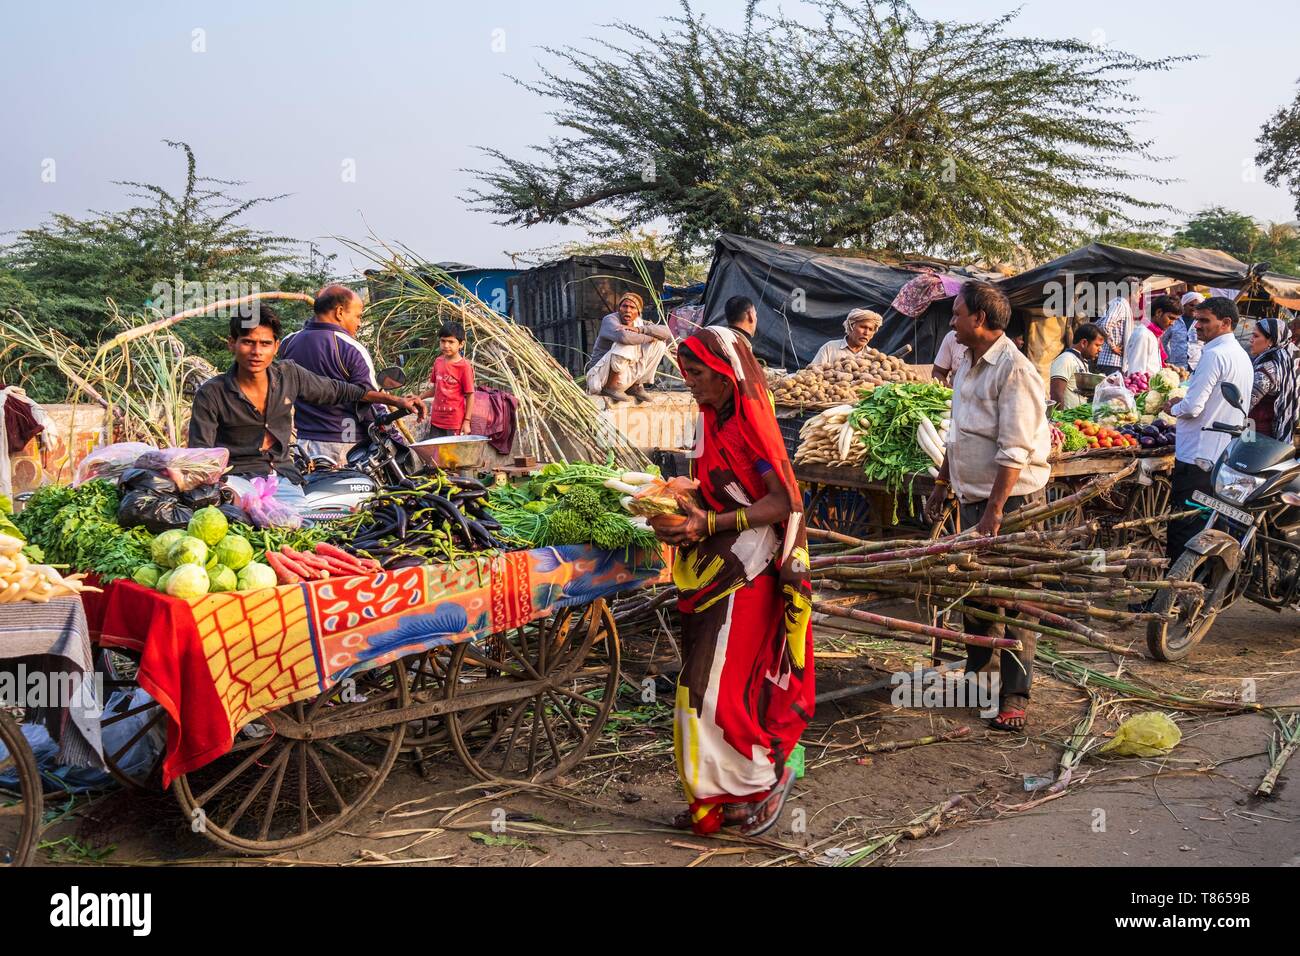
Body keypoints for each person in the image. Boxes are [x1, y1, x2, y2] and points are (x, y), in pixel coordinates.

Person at [652, 325, 815, 838]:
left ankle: (759, 780)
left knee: (709, 687)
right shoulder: (711, 420)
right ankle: (719, 798)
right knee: (709, 683)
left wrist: (710, 523)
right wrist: (686, 498)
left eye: (697, 374)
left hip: (749, 567)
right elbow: (720, 488)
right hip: (711, 566)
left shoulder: (750, 425)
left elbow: (782, 501)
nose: (690, 383)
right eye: (686, 373)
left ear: (726, 373)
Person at [924, 281, 1051, 733]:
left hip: (1012, 502)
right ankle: (977, 678)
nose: (952, 322)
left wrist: (995, 512)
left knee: (1017, 597)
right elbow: (958, 432)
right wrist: (943, 482)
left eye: (957, 314)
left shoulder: (1015, 371)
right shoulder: (966, 364)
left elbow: (1014, 450)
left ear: (980, 318)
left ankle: (1014, 695)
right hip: (974, 497)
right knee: (975, 592)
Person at [189, 309, 423, 514]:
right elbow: (201, 457)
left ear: (276, 346)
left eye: (265, 343)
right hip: (238, 480)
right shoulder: (212, 394)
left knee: (301, 528)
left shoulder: (289, 375)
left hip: (282, 477)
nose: (256, 352)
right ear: (233, 343)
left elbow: (341, 390)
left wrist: (396, 400)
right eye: (248, 342)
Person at [1162, 297, 1254, 565]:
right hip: (1221, 456)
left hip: (1197, 457)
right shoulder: (1241, 356)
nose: (1197, 326)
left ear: (1226, 323)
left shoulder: (1214, 354)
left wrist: (1174, 406)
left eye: (1204, 321)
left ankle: (1166, 600)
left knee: (1183, 529)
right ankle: (1196, 595)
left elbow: (1193, 406)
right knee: (1207, 527)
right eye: (1197, 319)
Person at [278, 284, 382, 468]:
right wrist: (392, 435)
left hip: (303, 445)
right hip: (345, 446)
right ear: (340, 312)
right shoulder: (349, 347)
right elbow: (370, 402)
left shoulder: (288, 342)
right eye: (358, 316)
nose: (359, 323)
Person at [585, 292, 673, 403]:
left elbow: (667, 332)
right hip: (600, 378)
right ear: (619, 308)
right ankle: (610, 387)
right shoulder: (610, 320)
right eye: (624, 306)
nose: (628, 310)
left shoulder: (640, 323)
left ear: (638, 312)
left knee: (659, 345)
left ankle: (635, 386)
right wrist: (650, 338)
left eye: (632, 307)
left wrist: (639, 330)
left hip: (625, 377)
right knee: (627, 342)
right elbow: (624, 337)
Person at [418, 322, 476, 437]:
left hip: (454, 423)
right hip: (436, 421)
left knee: (452, 454)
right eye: (443, 341)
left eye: (451, 342)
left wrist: (467, 421)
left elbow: (470, 395)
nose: (446, 345)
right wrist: (419, 398)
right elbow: (436, 389)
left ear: (461, 344)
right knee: (436, 454)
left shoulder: (464, 366)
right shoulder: (438, 362)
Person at [1247, 318, 1298, 442]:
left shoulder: (1267, 369)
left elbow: (1245, 405)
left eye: (1256, 336)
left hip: (1254, 434)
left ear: (1271, 341)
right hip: (1274, 434)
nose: (1250, 340)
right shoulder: (1289, 364)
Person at [1049, 323, 1105, 411]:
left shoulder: (1082, 361)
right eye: (1097, 345)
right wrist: (1059, 418)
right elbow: (1056, 392)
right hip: (1067, 420)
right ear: (1084, 343)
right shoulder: (1066, 359)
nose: (1100, 350)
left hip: (1078, 419)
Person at [1095, 276, 1142, 376]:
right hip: (1112, 361)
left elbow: (1099, 324)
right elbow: (1105, 326)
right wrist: (1113, 346)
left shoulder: (1119, 304)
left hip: (1112, 362)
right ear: (1133, 292)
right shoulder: (1120, 304)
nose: (1140, 295)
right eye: (1139, 292)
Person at [1123, 294, 1178, 377]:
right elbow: (1136, 375)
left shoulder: (1154, 334)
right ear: (1158, 313)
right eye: (1171, 318)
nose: (1172, 323)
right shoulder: (1143, 335)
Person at [810, 309, 882, 366]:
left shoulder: (874, 356)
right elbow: (812, 373)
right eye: (863, 327)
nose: (866, 333)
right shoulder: (829, 348)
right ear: (851, 326)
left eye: (871, 329)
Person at [1163, 292, 1204, 372]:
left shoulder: (1202, 322)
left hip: (1197, 365)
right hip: (1177, 366)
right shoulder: (1174, 320)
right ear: (1184, 305)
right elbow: (1164, 341)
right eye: (1191, 305)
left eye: (1197, 306)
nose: (1194, 308)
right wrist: (1168, 358)